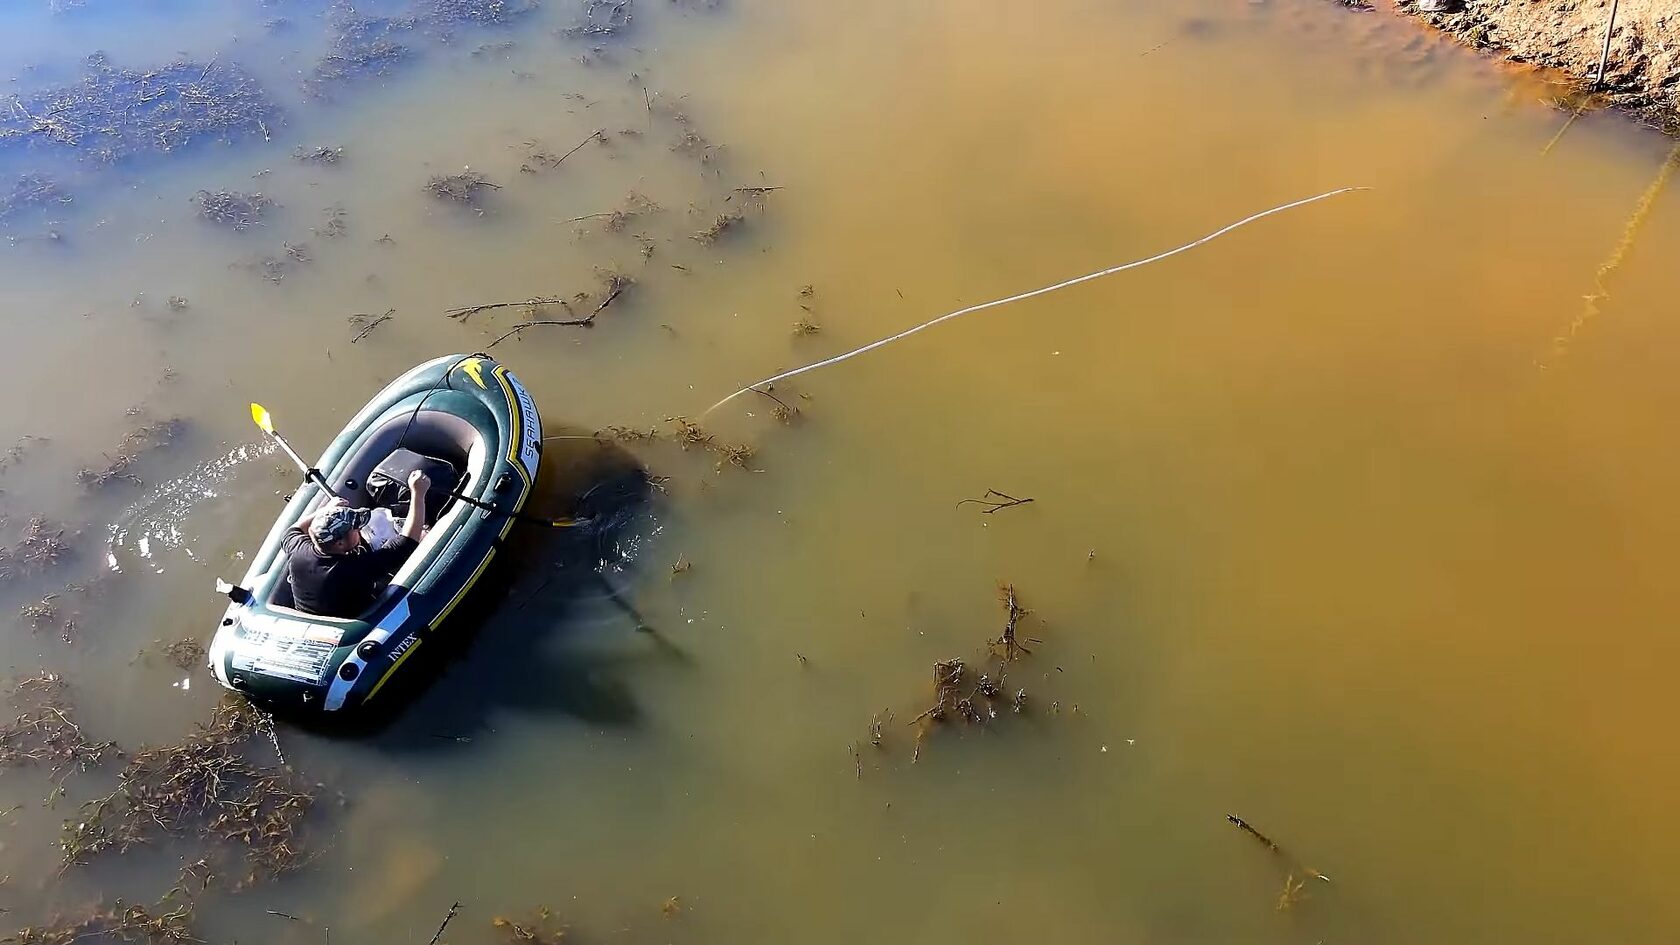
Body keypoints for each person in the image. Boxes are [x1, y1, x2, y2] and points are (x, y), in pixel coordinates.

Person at [282, 470, 431, 617]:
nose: (360, 528)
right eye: (356, 528)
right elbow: (406, 544)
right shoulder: (350, 569)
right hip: (355, 621)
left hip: (318, 607)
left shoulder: (298, 548)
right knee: (423, 537)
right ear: (339, 543)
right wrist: (418, 493)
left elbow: (291, 531)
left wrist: (326, 510)